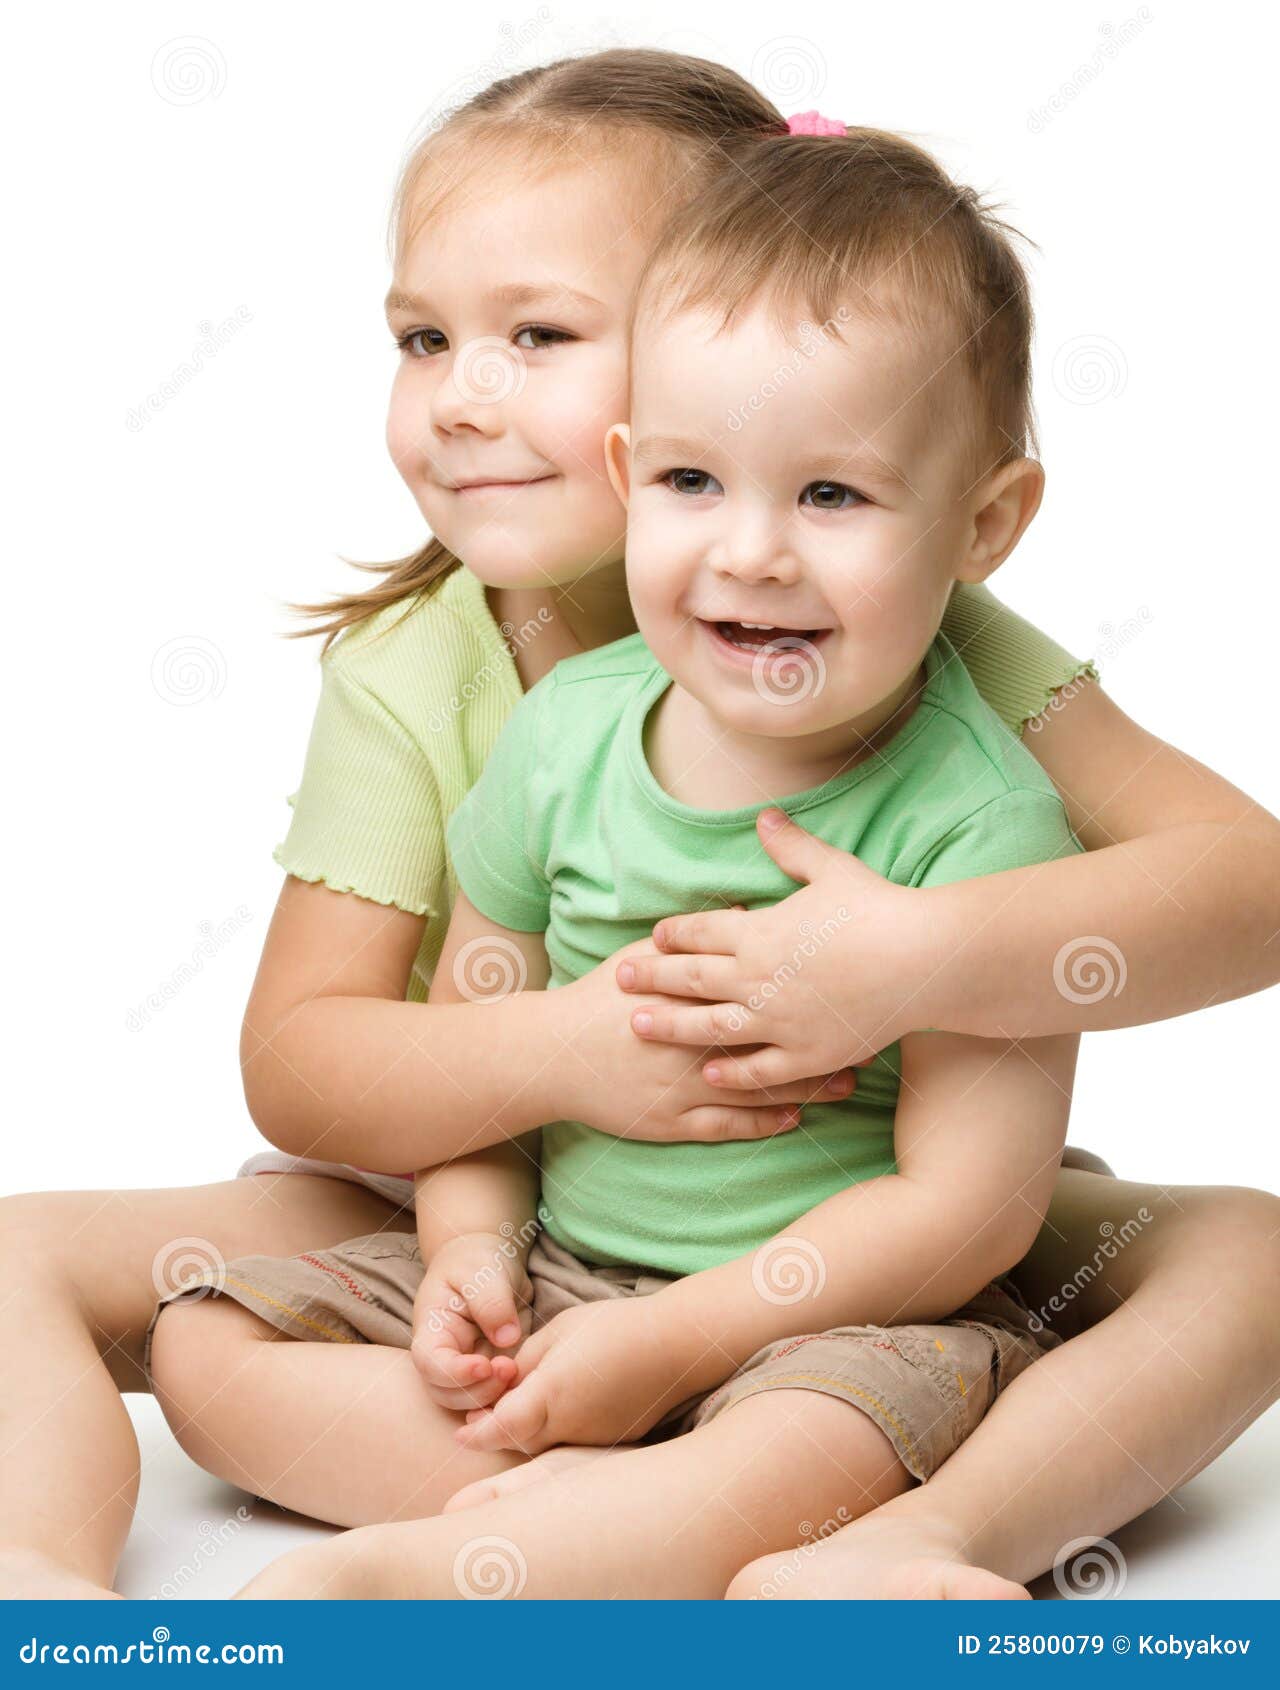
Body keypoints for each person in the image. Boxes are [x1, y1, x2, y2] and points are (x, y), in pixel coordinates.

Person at [4, 51, 1277, 1603]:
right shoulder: (424, 667)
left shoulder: (908, 618)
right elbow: (302, 1062)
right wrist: (567, 1062)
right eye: (425, 337)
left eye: (537, 333)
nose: (466, 393)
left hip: (854, 1186)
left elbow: (1248, 888)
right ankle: (37, 1578)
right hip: (505, 1187)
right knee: (81, 1281)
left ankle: (897, 1521)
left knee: (1249, 1256)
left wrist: (904, 962)